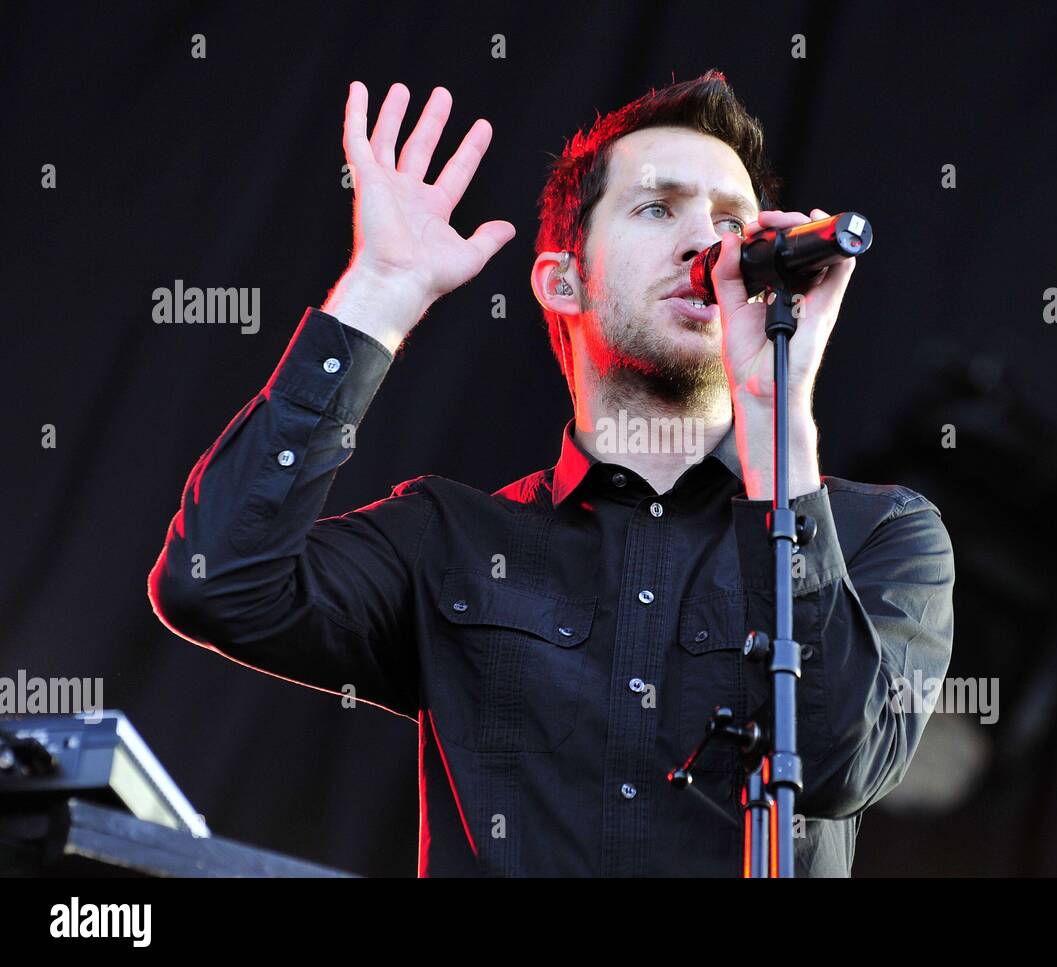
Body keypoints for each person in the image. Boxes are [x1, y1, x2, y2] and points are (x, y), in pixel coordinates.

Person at [148, 69, 955, 877]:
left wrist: (774, 410)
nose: (706, 242)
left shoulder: (878, 534)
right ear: (562, 280)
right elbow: (215, 580)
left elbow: (838, 761)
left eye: (731, 220)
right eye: (656, 207)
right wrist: (379, 293)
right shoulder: (450, 537)